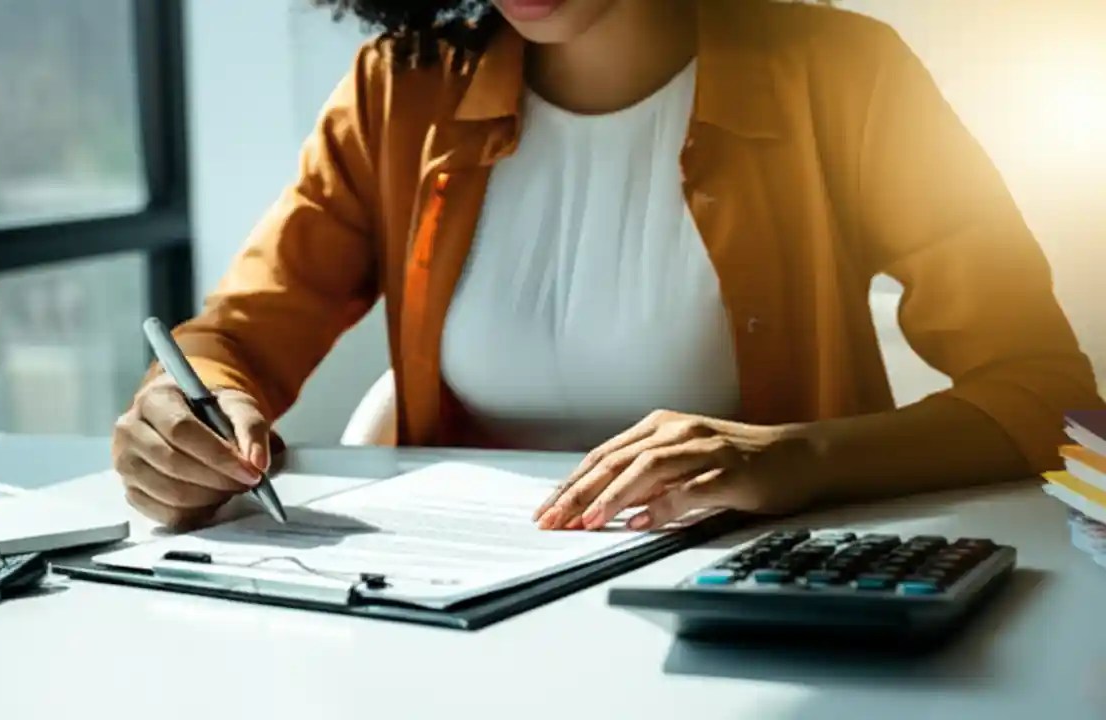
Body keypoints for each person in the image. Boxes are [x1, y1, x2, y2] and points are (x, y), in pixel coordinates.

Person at [111, 0, 1103, 531]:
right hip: (462, 619)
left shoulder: (842, 78)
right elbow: (232, 338)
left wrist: (793, 456)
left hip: (749, 624)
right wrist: (183, 413)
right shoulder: (395, 91)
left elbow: (1042, 397)